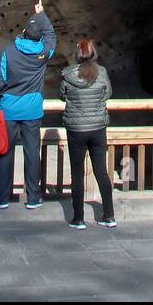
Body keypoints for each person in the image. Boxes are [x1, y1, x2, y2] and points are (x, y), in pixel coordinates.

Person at [0, 0, 56, 210]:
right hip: (32, 111)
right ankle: (33, 198)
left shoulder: (8, 51)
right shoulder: (42, 54)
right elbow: (51, 38)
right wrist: (42, 14)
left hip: (8, 110)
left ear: (25, 32)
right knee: (32, 152)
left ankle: (1, 198)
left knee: (4, 153)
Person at [59, 39, 116, 230]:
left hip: (76, 129)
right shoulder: (102, 73)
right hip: (98, 128)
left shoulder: (68, 75)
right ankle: (109, 215)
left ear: (77, 55)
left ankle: (78, 218)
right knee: (101, 171)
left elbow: (62, 94)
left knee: (77, 174)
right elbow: (108, 93)